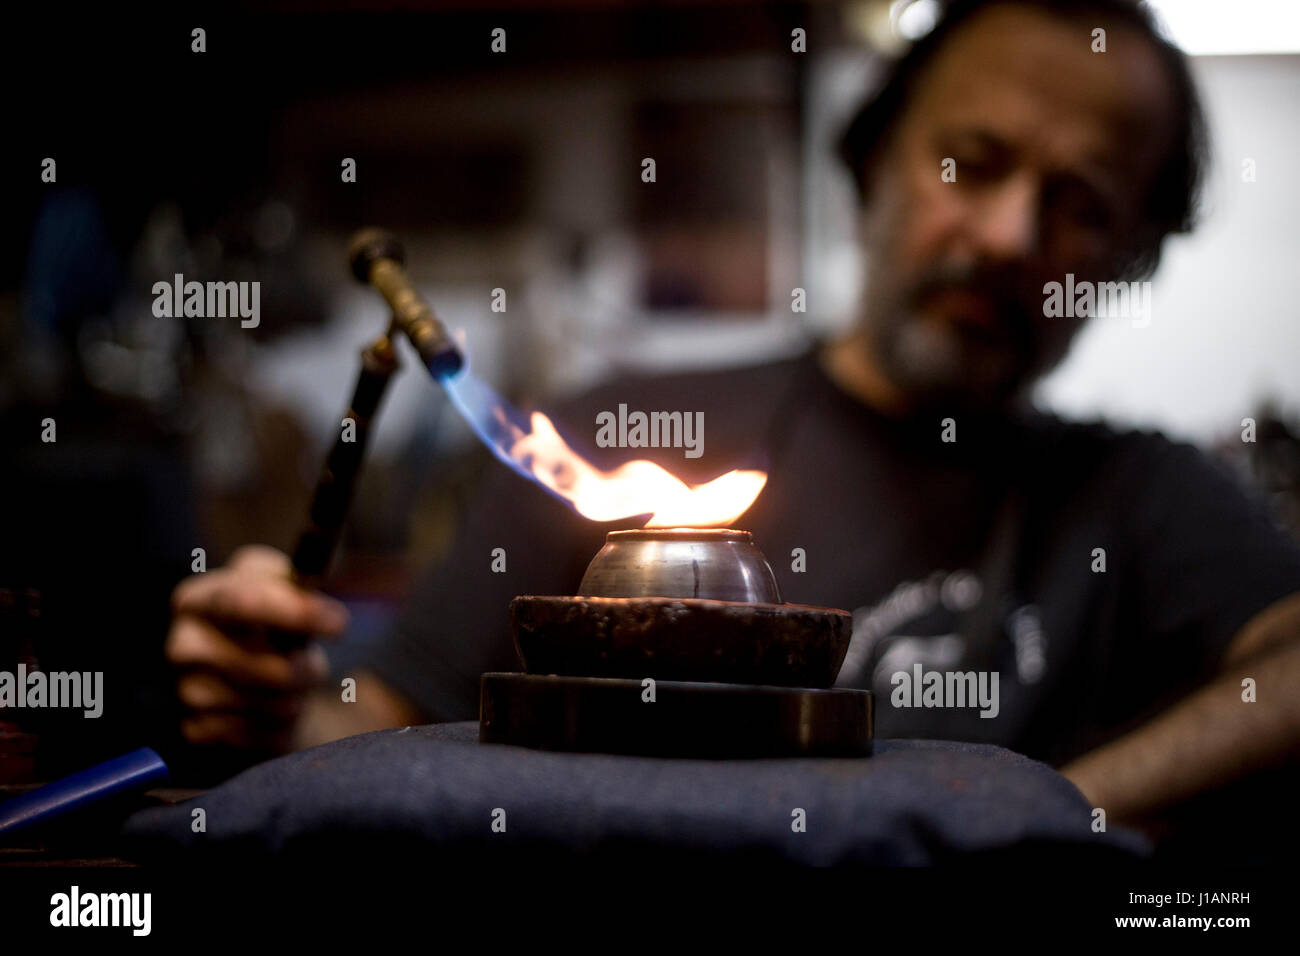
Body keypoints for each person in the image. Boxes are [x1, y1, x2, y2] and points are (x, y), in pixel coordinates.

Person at [166, 0, 1300, 849]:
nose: (1009, 235)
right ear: (872, 167)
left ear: (1127, 261)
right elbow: (374, 731)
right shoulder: (608, 430)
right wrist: (266, 702)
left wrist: (1035, 820)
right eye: (973, 161)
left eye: (1083, 203)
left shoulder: (1141, 501)